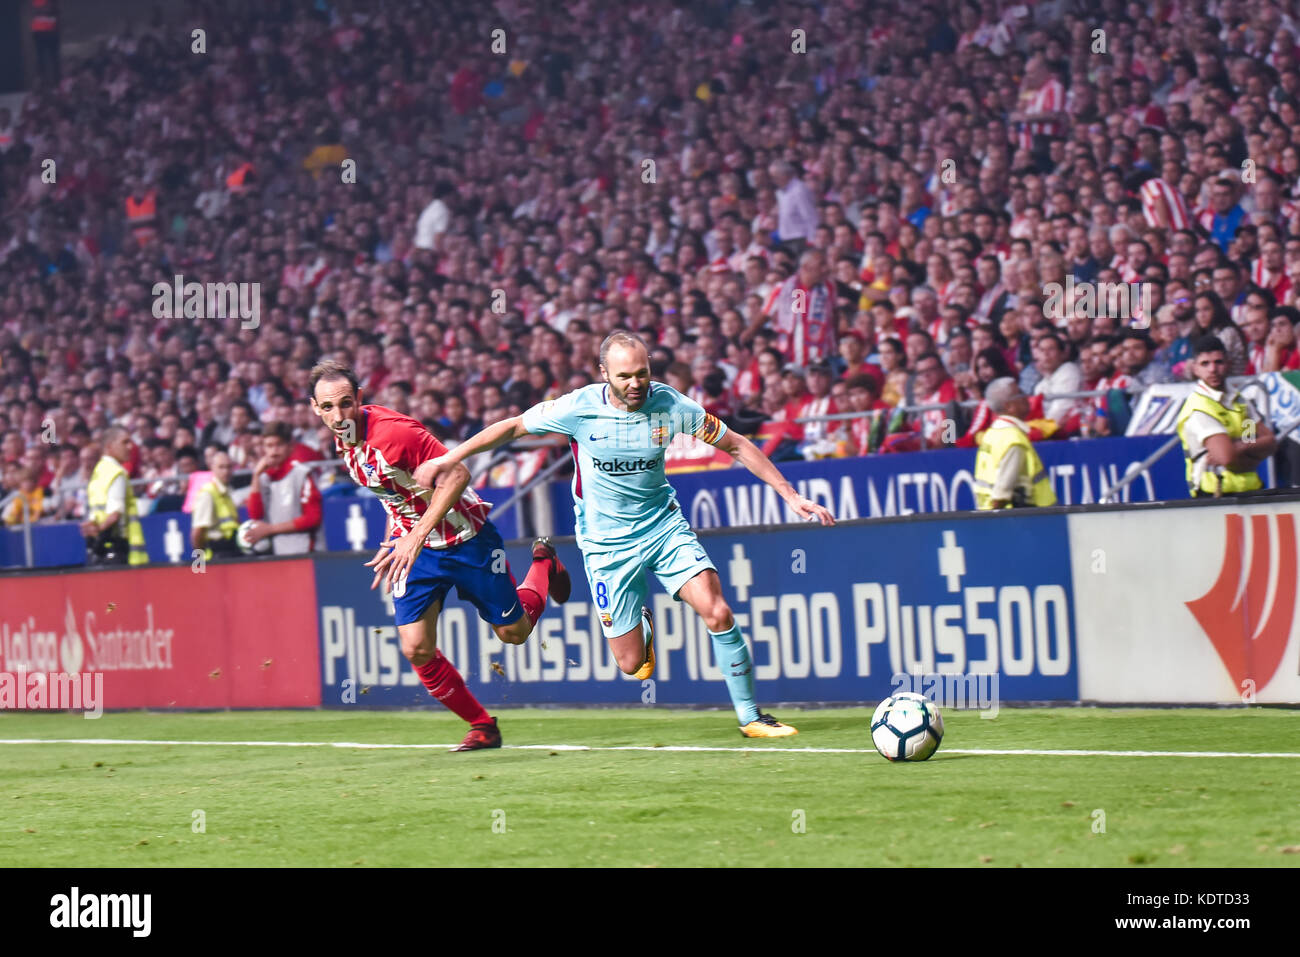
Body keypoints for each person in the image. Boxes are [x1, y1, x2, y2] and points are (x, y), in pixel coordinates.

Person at [417, 332, 836, 738]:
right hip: (605, 545)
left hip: (662, 527)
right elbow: (511, 428)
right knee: (631, 663)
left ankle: (751, 717)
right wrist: (449, 458)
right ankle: (643, 630)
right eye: (624, 376)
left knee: (717, 611)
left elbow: (738, 445)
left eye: (642, 372)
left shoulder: (671, 405)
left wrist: (792, 496)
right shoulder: (577, 408)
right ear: (604, 374)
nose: (636, 383)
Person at [309, 359, 572, 752]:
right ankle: (483, 726)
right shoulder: (344, 442)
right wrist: (396, 542)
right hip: (416, 548)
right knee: (415, 646)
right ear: (315, 409)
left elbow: (458, 474)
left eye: (345, 403)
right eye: (327, 407)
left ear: (359, 398)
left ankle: (544, 564)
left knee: (514, 634)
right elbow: (394, 495)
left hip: (468, 539)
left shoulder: (395, 434)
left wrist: (414, 535)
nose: (337, 414)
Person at [1175, 336, 1278, 498]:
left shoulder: (1239, 401)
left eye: (1218, 362)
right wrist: (1251, 455)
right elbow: (1227, 457)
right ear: (1195, 368)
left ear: (1228, 363)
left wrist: (1242, 446)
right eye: (1205, 363)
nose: (1212, 369)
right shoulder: (1199, 408)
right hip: (1216, 493)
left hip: (1251, 489)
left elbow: (1268, 442)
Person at [973, 379, 1058, 510]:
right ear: (1009, 406)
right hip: (1023, 519)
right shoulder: (1013, 439)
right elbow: (1001, 494)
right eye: (1020, 393)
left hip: (993, 515)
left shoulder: (991, 434)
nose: (1026, 397)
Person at [243, 422, 323, 554]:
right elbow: (255, 515)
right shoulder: (263, 478)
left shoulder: (302, 474)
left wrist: (270, 529)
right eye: (269, 446)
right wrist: (256, 476)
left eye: (279, 445)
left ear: (290, 447)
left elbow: (313, 517)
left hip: (306, 551)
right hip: (279, 553)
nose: (274, 451)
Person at [80, 427, 147, 565]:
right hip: (120, 549)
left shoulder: (98, 471)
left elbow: (95, 513)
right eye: (125, 442)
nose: (130, 447)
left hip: (100, 549)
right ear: (109, 446)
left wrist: (95, 535)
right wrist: (100, 531)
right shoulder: (116, 473)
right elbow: (114, 515)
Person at [190, 450, 241, 561]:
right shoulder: (208, 494)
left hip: (231, 550)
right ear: (212, 468)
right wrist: (199, 564)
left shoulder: (227, 491)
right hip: (216, 554)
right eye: (221, 467)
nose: (226, 471)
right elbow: (197, 533)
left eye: (229, 467)